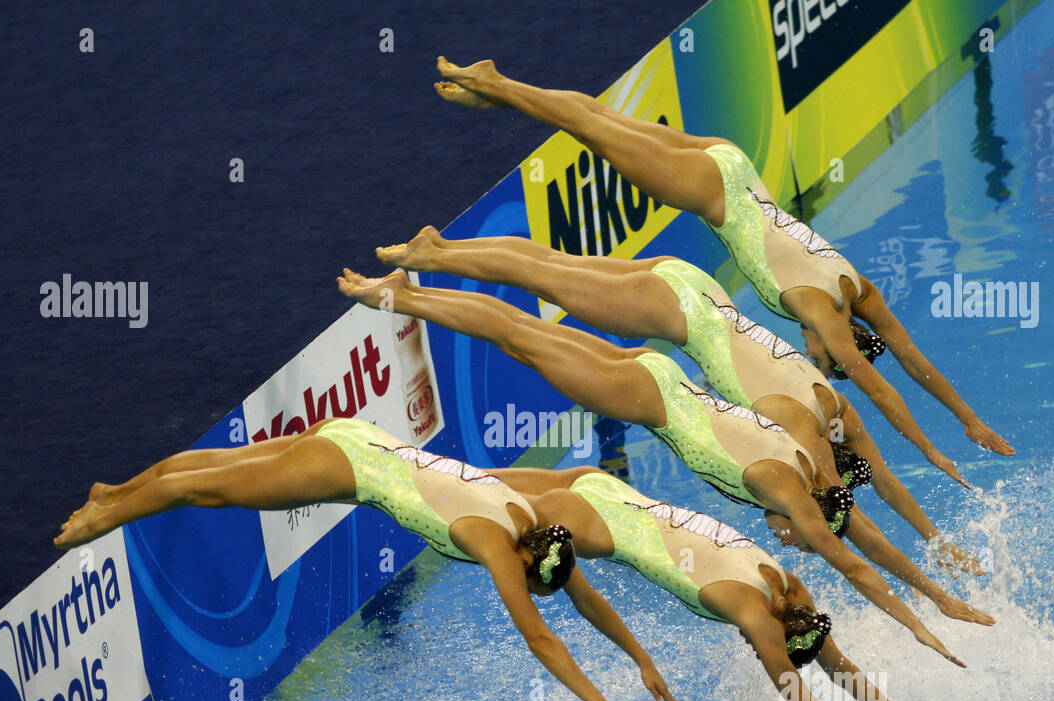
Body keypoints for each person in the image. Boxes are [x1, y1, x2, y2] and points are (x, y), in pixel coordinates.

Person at [338, 268, 991, 667]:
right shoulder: (787, 487)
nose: (786, 540)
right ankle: (405, 292)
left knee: (528, 330)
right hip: (649, 396)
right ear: (809, 510)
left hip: (660, 381)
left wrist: (938, 595)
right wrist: (918, 622)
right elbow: (848, 558)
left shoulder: (814, 460)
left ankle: (415, 286)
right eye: (796, 532)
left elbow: (862, 543)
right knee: (520, 335)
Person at [432, 57, 1016, 484]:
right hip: (715, 193)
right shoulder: (823, 312)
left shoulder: (860, 292)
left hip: (731, 164)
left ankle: (496, 91)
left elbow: (908, 352)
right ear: (837, 347)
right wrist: (930, 451)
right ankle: (497, 82)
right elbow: (878, 380)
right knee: (596, 131)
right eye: (822, 356)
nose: (810, 352)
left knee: (604, 121)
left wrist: (966, 419)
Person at [53, 417, 682, 701]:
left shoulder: (533, 519)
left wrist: (641, 658)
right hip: (346, 465)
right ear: (525, 567)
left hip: (358, 433)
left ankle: (115, 490)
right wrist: (597, 700)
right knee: (211, 490)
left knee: (216, 469)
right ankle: (105, 516)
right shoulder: (497, 548)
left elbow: (584, 596)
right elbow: (540, 637)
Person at [377, 226, 983, 573]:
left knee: (553, 276)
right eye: (793, 529)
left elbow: (875, 490)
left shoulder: (827, 424)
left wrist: (936, 506)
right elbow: (851, 542)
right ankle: (430, 265)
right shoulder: (793, 461)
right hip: (674, 328)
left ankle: (439, 254)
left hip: (694, 299)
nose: (784, 535)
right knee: (533, 317)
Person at [491, 464, 944, 701]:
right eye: (770, 650)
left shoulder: (787, 590)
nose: (755, 648)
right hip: (597, 526)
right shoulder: (758, 616)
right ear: (777, 637)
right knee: (478, 510)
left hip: (610, 492)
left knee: (470, 479)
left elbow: (838, 666)